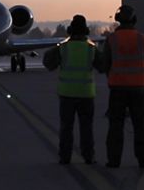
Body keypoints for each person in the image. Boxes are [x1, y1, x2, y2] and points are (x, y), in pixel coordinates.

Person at [99, 5, 144, 168]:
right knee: (140, 125)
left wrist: (112, 78)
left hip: (117, 88)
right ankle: (143, 160)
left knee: (115, 126)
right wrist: (141, 78)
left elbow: (105, 64)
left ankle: (114, 160)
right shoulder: (141, 38)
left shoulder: (112, 39)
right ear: (134, 20)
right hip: (138, 88)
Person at [43, 15, 101, 165]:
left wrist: (57, 47)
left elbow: (48, 63)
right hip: (86, 94)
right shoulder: (91, 49)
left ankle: (65, 157)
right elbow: (103, 66)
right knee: (86, 128)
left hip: (67, 94)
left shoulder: (63, 48)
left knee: (66, 127)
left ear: (70, 31)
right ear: (86, 31)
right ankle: (89, 156)